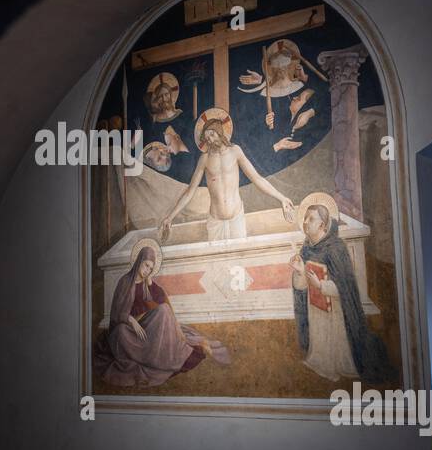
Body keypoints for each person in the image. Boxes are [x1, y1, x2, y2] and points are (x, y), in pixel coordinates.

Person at [95, 241, 230, 387]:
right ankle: (146, 353)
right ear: (139, 260)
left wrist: (151, 284)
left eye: (151, 268)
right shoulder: (125, 281)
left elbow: (161, 300)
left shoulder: (148, 284)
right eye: (146, 265)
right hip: (128, 328)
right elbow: (116, 313)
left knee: (164, 310)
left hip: (144, 325)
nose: (148, 270)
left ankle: (157, 354)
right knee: (120, 333)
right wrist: (131, 321)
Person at [290, 194, 393, 384]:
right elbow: (301, 287)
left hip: (336, 311)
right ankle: (319, 362)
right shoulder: (306, 249)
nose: (306, 222)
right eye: (305, 218)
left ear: (323, 224)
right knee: (319, 336)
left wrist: (322, 286)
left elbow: (345, 287)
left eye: (311, 219)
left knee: (335, 340)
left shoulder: (336, 248)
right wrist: (299, 272)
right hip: (315, 308)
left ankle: (340, 365)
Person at [159, 107, 294, 242]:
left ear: (219, 132)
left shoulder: (235, 151)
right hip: (215, 221)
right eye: (206, 138)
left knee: (239, 261)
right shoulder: (204, 159)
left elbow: (257, 178)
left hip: (236, 218)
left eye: (212, 134)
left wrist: (282, 198)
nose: (210, 140)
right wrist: (170, 217)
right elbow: (190, 192)